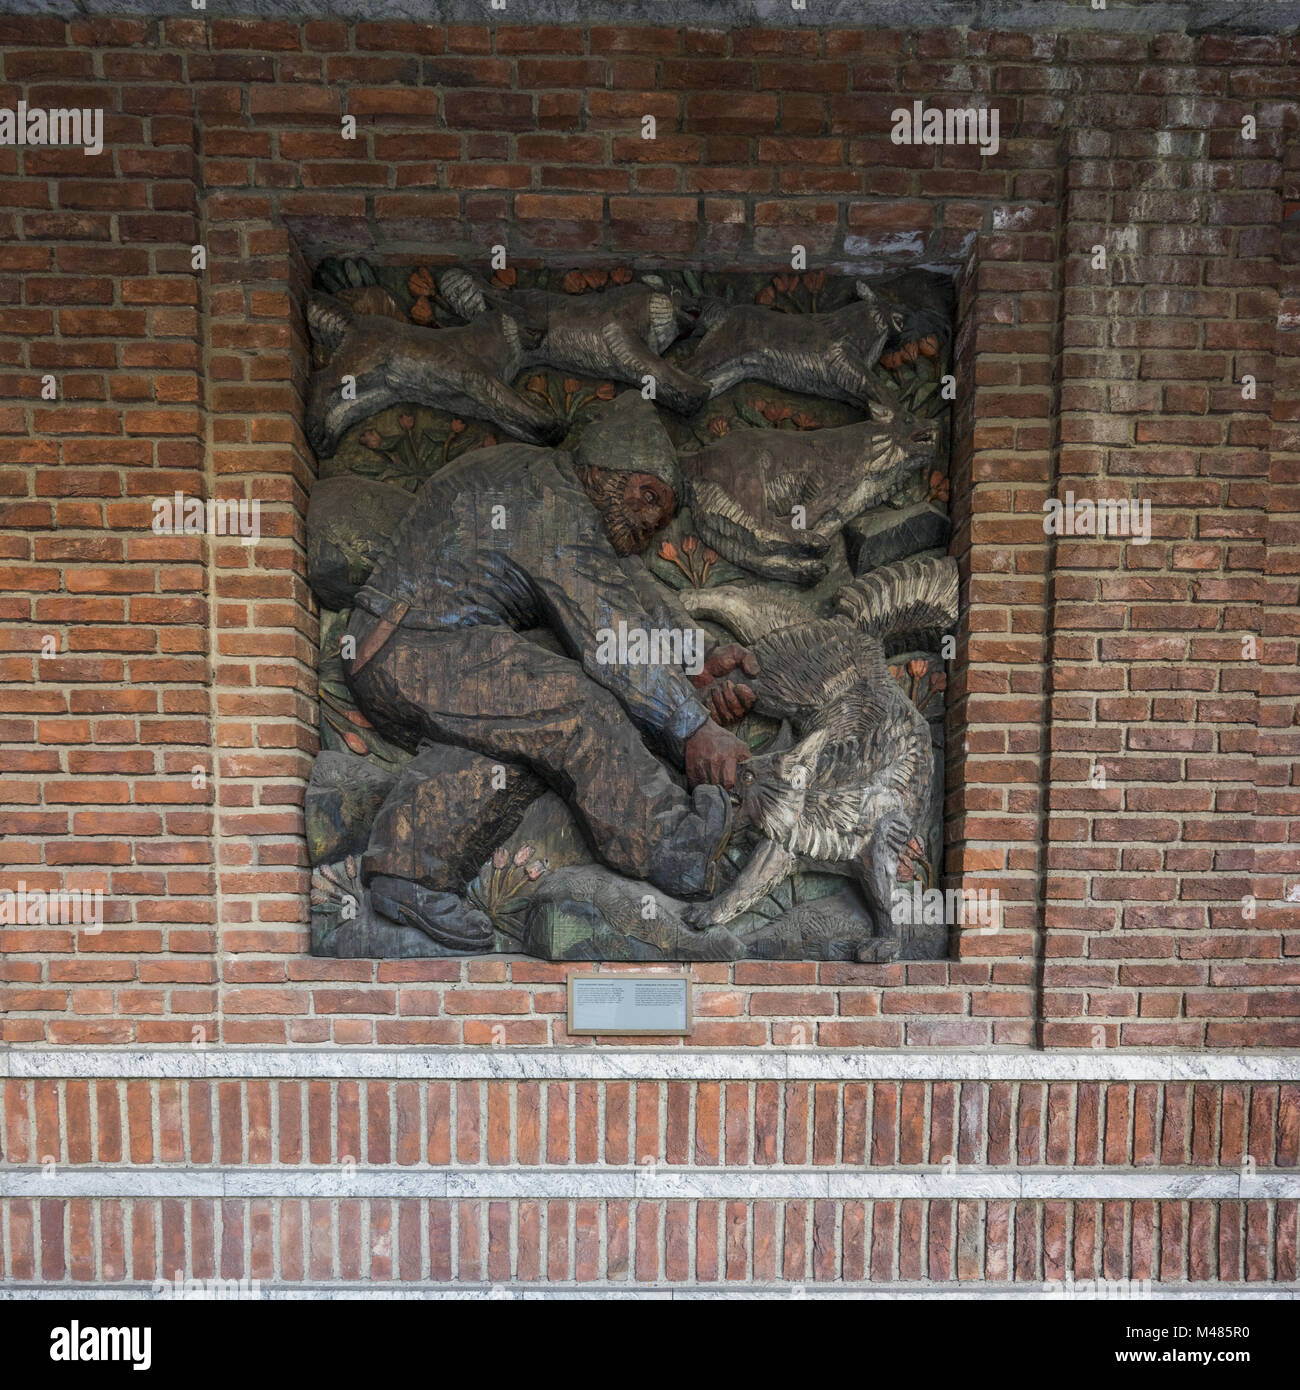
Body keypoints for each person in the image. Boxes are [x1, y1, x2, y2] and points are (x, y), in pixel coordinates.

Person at [344, 392, 759, 913]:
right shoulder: (550, 503)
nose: (654, 523)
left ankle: (406, 873)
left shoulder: (563, 499)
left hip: (416, 650)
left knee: (523, 739)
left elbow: (629, 591)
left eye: (664, 512)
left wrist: (694, 655)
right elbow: (609, 633)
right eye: (648, 496)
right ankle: (673, 848)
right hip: (417, 645)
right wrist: (694, 729)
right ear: (606, 471)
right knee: (576, 709)